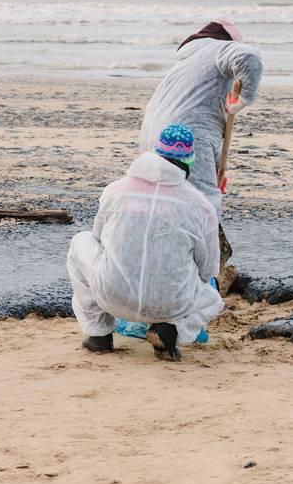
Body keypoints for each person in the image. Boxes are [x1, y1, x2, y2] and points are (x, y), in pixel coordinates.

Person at [67, 123, 222, 361]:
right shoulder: (201, 206)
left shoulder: (116, 191)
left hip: (112, 296)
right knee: (212, 299)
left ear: (156, 153)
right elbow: (208, 269)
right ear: (189, 162)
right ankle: (170, 331)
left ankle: (98, 334)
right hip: (170, 305)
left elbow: (98, 239)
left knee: (82, 241)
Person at [139, 19, 262, 266]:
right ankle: (204, 275)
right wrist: (244, 100)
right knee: (203, 205)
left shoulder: (187, 61)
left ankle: (162, 261)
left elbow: (201, 101)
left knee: (167, 200)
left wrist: (215, 165)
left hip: (155, 135)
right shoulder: (217, 49)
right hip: (187, 136)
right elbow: (250, 57)